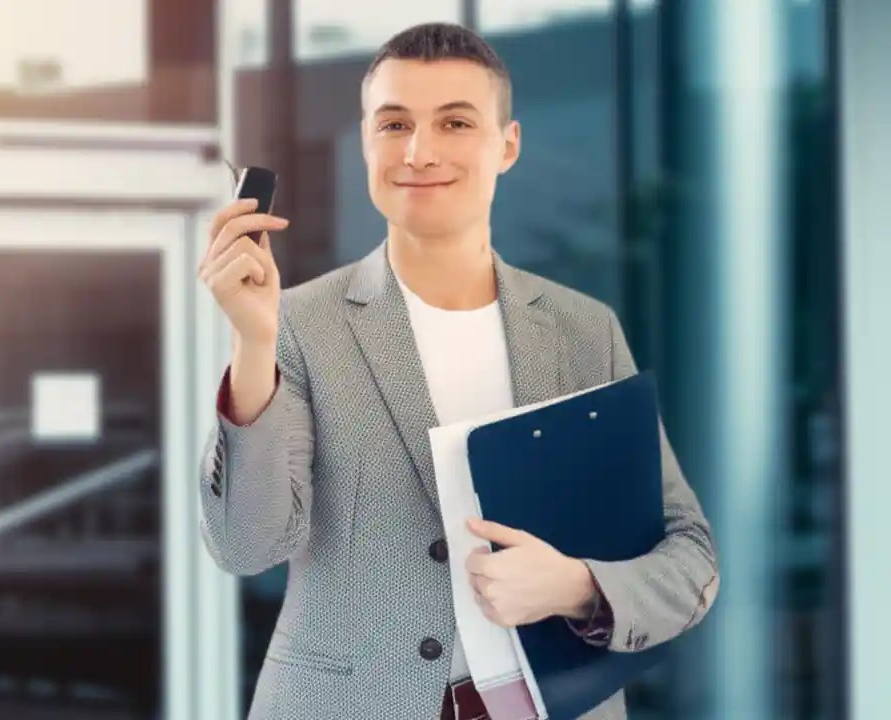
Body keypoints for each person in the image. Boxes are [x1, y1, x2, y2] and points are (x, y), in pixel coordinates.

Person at [196, 22, 719, 720]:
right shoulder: (297, 325)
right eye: (394, 123)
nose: (419, 150)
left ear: (507, 146)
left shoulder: (584, 330)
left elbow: (690, 560)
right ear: (365, 142)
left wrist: (575, 585)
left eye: (455, 122)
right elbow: (245, 544)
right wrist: (252, 345)